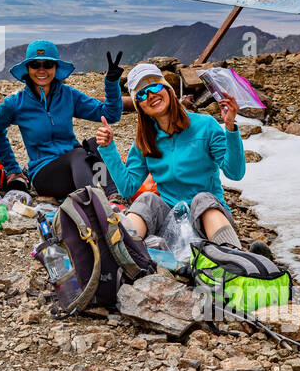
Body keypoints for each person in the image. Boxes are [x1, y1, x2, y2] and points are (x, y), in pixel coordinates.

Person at [95, 62, 265, 255]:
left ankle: (234, 258)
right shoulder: (145, 140)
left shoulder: (205, 125)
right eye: (142, 94)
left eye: (155, 86)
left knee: (202, 199)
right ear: (139, 106)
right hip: (170, 220)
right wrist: (108, 148)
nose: (150, 95)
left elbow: (235, 173)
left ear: (167, 90)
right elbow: (128, 188)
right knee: (148, 199)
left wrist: (230, 128)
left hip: (209, 219)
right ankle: (120, 254)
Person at [0, 41, 124, 199]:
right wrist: (12, 169)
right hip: (45, 176)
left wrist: (112, 84)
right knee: (79, 154)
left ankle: (114, 198)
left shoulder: (68, 95)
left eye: (48, 64)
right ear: (27, 69)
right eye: (35, 65)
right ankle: (93, 206)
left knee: (96, 144)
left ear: (55, 68)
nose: (42, 70)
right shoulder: (15, 104)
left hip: (76, 170)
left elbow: (110, 114)